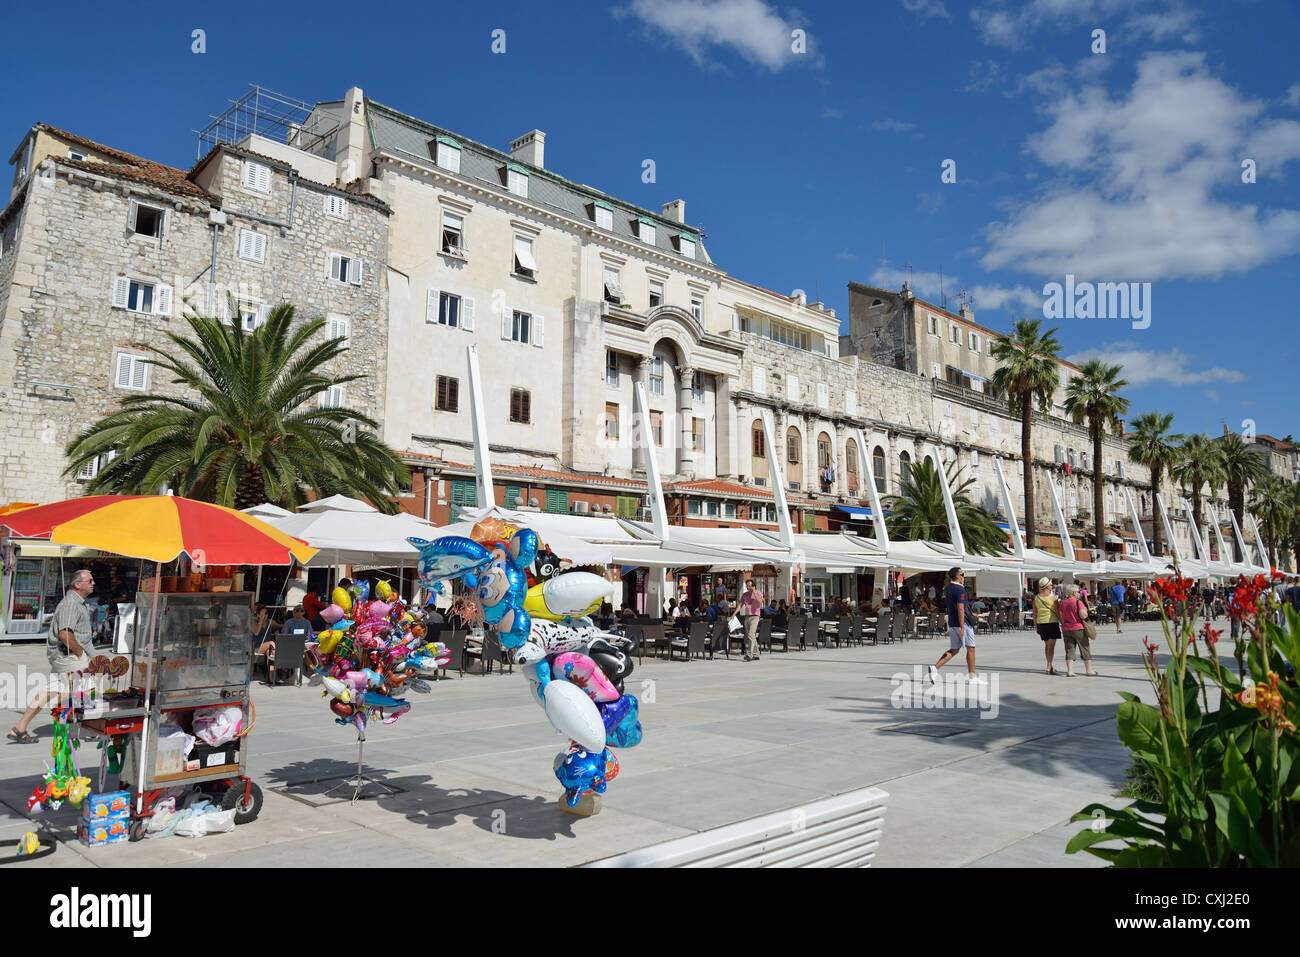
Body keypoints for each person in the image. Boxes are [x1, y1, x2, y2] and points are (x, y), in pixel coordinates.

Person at [9, 570, 95, 744]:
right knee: (88, 689)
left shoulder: (78, 603)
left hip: (67, 655)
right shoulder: (71, 603)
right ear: (78, 584)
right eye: (90, 580)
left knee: (51, 690)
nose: (93, 583)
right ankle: (91, 728)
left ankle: (20, 727)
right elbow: (64, 634)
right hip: (70, 654)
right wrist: (79, 653)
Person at [928, 567, 982, 685]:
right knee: (971, 648)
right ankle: (972, 677)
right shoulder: (959, 589)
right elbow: (960, 608)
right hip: (962, 624)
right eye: (962, 574)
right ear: (957, 576)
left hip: (952, 622)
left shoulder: (949, 589)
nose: (964, 576)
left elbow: (958, 607)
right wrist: (963, 627)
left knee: (954, 649)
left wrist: (970, 613)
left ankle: (935, 668)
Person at [1058, 583, 1096, 677]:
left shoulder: (1063, 603)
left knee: (1069, 649)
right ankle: (1089, 670)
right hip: (1078, 628)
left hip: (1066, 628)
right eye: (1078, 592)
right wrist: (1086, 612)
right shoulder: (1078, 602)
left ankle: (1070, 671)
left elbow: (1061, 616)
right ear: (1073, 593)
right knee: (1084, 648)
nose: (1079, 593)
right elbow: (1083, 615)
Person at [1034, 577, 1061, 675]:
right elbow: (1057, 612)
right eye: (1050, 584)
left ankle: (1050, 665)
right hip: (1052, 622)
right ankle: (1049, 666)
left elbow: (1035, 613)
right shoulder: (1053, 597)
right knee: (1051, 647)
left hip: (1041, 623)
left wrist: (1036, 626)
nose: (1052, 586)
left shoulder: (1037, 597)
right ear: (1047, 586)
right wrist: (1062, 622)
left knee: (1047, 646)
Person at [739, 578, 763, 662]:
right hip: (747, 616)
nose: (747, 587)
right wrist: (734, 614)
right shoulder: (745, 594)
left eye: (749, 585)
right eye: (747, 586)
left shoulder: (758, 593)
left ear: (753, 586)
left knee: (750, 634)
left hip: (755, 616)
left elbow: (760, 601)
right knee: (752, 636)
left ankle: (749, 654)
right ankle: (756, 655)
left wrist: (754, 593)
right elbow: (740, 605)